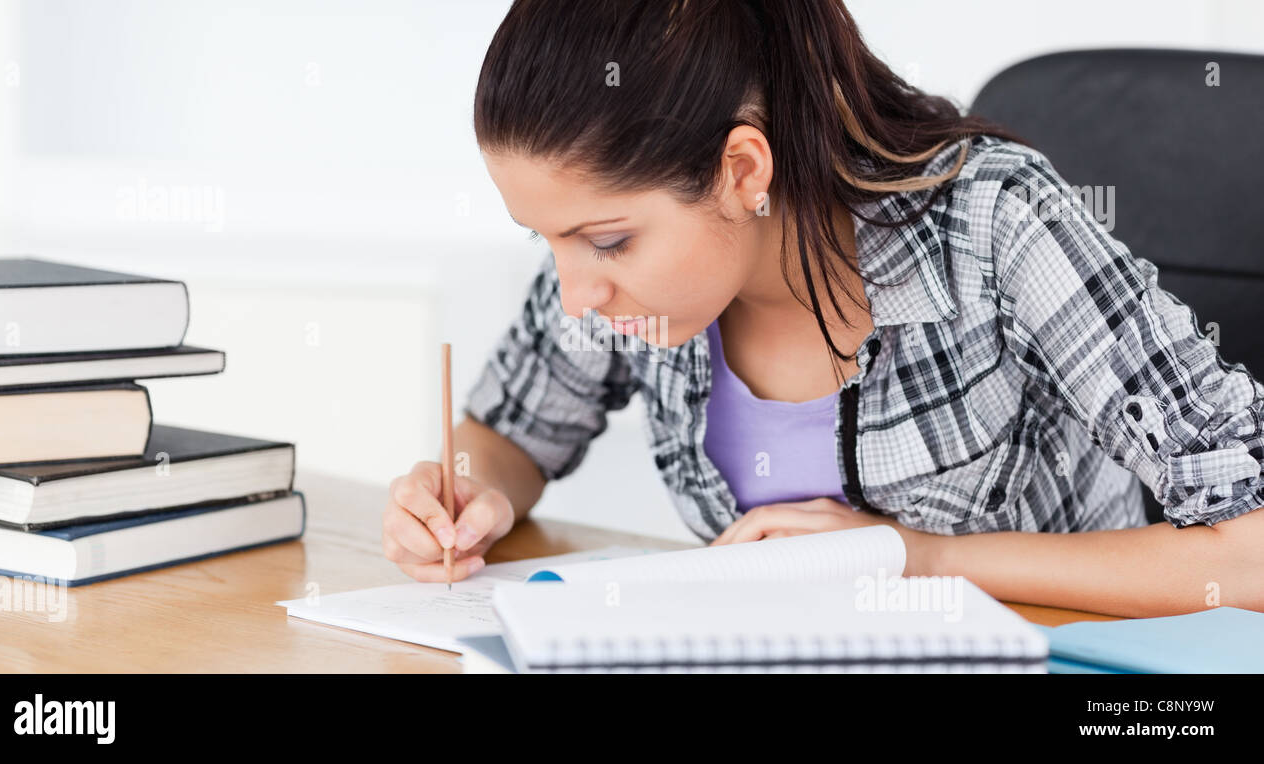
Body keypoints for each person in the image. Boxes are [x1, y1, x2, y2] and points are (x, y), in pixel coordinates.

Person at [381, 0, 1263, 617]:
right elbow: (511, 437)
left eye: (608, 243)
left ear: (742, 171)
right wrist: (468, 492)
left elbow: (1250, 548)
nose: (578, 293)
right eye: (547, 241)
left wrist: (921, 559)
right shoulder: (610, 272)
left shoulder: (994, 224)